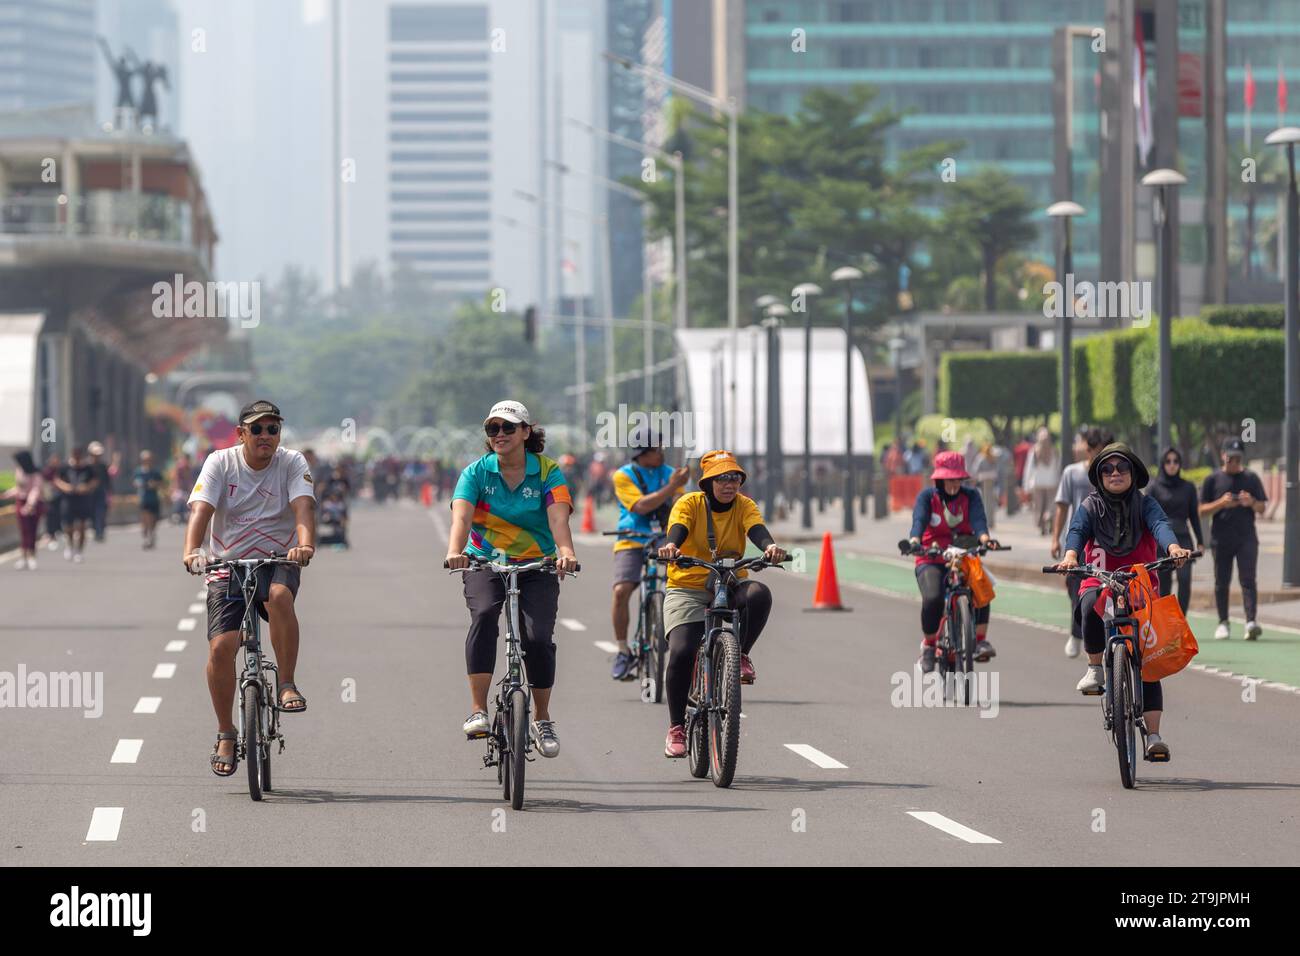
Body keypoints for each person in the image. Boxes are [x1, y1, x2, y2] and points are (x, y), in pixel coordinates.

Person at [183, 400, 316, 777]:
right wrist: (192, 551)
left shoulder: (291, 463)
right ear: (241, 434)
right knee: (221, 648)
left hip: (278, 559)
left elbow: (304, 509)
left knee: (279, 597)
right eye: (257, 430)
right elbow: (201, 511)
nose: (266, 437)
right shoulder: (220, 464)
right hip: (229, 563)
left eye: (273, 429)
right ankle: (226, 732)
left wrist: (304, 545)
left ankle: (288, 683)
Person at [445, 400, 577, 758]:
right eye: (493, 429)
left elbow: (558, 520)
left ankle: (543, 718)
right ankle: (478, 710)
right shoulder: (476, 472)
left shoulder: (548, 471)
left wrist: (566, 552)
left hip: (537, 565)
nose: (500, 435)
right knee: (485, 615)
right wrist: (455, 551)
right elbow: (461, 518)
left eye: (507, 427)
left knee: (536, 639)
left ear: (525, 432)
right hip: (485, 562)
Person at [1056, 442, 1191, 760]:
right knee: (1089, 604)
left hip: (1140, 583)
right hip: (1099, 579)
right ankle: (1095, 668)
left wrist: (1173, 549)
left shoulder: (1146, 505)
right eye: (1107, 469)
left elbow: (1161, 527)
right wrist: (1071, 554)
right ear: (1099, 476)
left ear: (1134, 473)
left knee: (1149, 662)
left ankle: (1154, 735)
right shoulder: (1089, 506)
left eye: (1122, 468)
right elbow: (1076, 531)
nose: (1115, 473)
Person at [656, 450, 788, 758]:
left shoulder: (744, 506)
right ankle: (676, 727)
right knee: (682, 652)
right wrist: (672, 545)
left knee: (759, 594)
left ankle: (739, 654)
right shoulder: (689, 504)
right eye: (722, 479)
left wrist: (769, 547)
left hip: (728, 581)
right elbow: (679, 528)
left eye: (735, 478)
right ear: (707, 483)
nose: (729, 484)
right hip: (687, 586)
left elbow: (757, 530)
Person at [904, 450, 1000, 672]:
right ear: (939, 478)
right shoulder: (927, 497)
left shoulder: (972, 496)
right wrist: (915, 540)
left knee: (981, 584)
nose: (954, 484)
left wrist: (985, 539)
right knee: (933, 598)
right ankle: (928, 646)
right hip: (932, 555)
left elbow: (978, 521)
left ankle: (980, 639)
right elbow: (919, 520)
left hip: (964, 553)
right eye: (949, 478)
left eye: (957, 478)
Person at [608, 438, 689, 680]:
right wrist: (672, 487)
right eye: (657, 450)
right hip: (631, 536)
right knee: (621, 590)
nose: (662, 453)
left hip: (664, 536)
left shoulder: (671, 473)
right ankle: (623, 650)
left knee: (686, 577)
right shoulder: (623, 476)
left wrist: (677, 491)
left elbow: (679, 506)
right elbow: (640, 506)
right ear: (642, 454)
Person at [1051, 427, 1113, 657]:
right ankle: (1077, 633)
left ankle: (1104, 637)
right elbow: (1062, 505)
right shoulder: (1072, 473)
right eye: (1095, 451)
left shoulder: (1111, 474)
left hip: (1105, 542)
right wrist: (1056, 538)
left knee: (1106, 588)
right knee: (1076, 590)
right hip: (1077, 541)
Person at [1199, 438, 1267, 640]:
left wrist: (1251, 501)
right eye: (1230, 458)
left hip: (1246, 537)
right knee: (1222, 581)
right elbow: (1201, 510)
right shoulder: (1213, 479)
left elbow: (1262, 507)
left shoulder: (1251, 478)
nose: (1234, 463)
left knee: (1248, 579)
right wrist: (1221, 503)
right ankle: (1223, 622)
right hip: (1221, 538)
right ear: (1223, 456)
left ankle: (1251, 621)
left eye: (1237, 459)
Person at [1145, 447, 1203, 613]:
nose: (1172, 465)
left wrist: (1200, 540)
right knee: (1164, 583)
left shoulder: (1188, 487)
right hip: (1160, 541)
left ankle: (1181, 618)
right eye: (1168, 461)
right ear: (1162, 464)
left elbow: (1194, 515)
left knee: (1184, 579)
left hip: (1183, 537)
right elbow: (1147, 517)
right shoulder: (1154, 487)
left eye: (1175, 461)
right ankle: (1166, 621)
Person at [54, 447, 98, 562]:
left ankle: (79, 551)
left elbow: (95, 481)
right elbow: (57, 480)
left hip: (83, 500)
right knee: (68, 527)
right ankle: (70, 545)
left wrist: (86, 487)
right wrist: (66, 487)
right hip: (68, 499)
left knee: (82, 527)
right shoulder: (65, 466)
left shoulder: (88, 467)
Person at [4, 451, 45, 570]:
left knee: (32, 530)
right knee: (24, 531)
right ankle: (23, 557)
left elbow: (36, 489)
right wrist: (6, 495)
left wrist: (30, 504)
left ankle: (32, 556)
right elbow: (19, 488)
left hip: (34, 504)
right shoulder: (19, 470)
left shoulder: (35, 473)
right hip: (21, 501)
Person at [1022, 427, 1060, 536]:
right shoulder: (1054, 451)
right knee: (1050, 505)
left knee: (1039, 507)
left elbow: (1029, 468)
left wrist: (1026, 485)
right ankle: (1048, 516)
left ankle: (1042, 526)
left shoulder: (1034, 451)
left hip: (1038, 483)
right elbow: (1057, 467)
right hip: (1052, 482)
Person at [133, 450, 164, 549]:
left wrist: (154, 484)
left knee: (154, 519)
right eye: (145, 460)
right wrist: (139, 484)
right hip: (144, 498)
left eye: (149, 460)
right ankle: (147, 537)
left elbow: (161, 483)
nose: (148, 462)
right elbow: (135, 482)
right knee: (146, 518)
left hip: (154, 499)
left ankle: (152, 533)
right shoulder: (139, 471)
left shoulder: (155, 472)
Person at [87, 441, 111, 543]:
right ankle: (95, 530)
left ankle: (100, 531)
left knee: (100, 512)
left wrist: (109, 493)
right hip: (89, 493)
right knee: (91, 513)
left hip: (100, 492)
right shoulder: (86, 466)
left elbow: (107, 481)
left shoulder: (103, 466)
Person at [40, 452, 64, 550]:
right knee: (50, 515)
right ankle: (50, 534)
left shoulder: (61, 470)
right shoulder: (46, 471)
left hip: (60, 497)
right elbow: (43, 483)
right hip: (49, 498)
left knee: (59, 514)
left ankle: (59, 530)